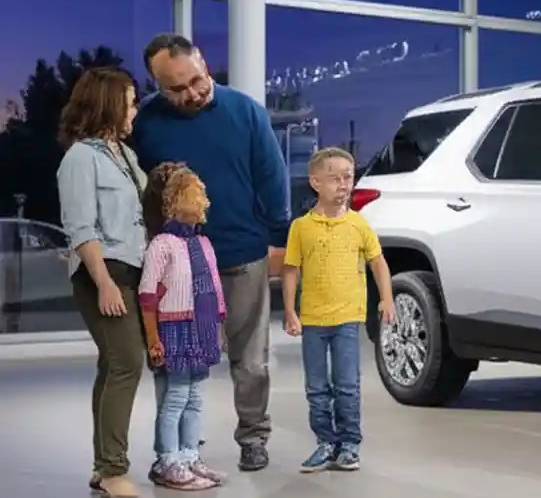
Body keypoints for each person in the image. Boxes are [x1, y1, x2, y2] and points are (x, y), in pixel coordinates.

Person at [131, 34, 290, 472]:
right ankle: (180, 449)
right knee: (175, 361)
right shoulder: (146, 122)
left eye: (196, 81)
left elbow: (272, 178)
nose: (192, 93)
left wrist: (279, 238)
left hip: (242, 253)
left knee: (251, 360)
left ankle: (253, 437)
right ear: (158, 85)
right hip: (176, 262)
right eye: (176, 89)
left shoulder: (246, 112)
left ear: (202, 62)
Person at [56, 67, 148, 498]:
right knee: (127, 362)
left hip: (133, 268)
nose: (135, 110)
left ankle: (102, 465)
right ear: (109, 104)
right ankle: (114, 470)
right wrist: (105, 283)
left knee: (113, 365)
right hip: (102, 272)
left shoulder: (123, 154)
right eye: (129, 102)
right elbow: (81, 227)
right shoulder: (80, 158)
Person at [281, 147, 394, 472]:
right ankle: (325, 442)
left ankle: (349, 444)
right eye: (335, 178)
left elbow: (378, 262)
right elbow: (290, 270)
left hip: (347, 317)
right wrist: (290, 311)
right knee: (317, 387)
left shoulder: (358, 224)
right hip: (313, 320)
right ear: (316, 182)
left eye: (349, 177)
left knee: (347, 385)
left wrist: (386, 298)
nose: (344, 184)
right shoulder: (301, 227)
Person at [139, 166, 227, 490]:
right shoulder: (162, 245)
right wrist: (153, 338)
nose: (203, 200)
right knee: (175, 396)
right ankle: (168, 459)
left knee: (195, 397)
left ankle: (190, 455)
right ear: (176, 199)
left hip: (201, 327)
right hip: (175, 327)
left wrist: (217, 327)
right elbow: (148, 294)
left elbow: (215, 288)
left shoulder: (204, 243)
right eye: (196, 193)